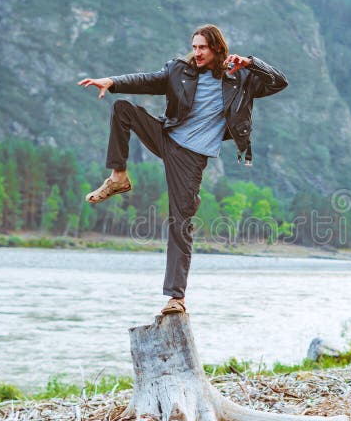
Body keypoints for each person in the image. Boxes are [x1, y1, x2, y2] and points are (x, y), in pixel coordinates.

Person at [77, 24, 287, 315]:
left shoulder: (240, 79)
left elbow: (279, 82)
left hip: (191, 159)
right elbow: (148, 80)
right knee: (122, 109)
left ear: (217, 48)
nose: (197, 52)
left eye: (203, 47)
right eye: (194, 47)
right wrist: (112, 82)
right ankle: (118, 177)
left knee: (180, 222)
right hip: (166, 136)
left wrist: (251, 63)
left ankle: (176, 298)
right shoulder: (180, 71)